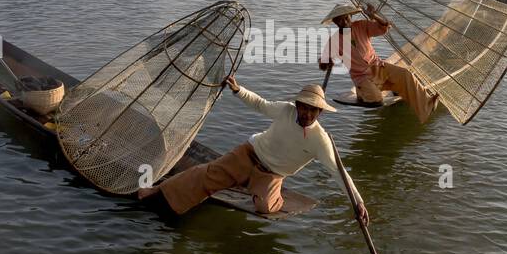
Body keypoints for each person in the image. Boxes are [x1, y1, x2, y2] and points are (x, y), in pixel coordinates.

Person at [139, 75, 369, 222]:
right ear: (298, 105)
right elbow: (261, 104)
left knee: (265, 207)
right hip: (250, 153)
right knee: (205, 175)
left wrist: (357, 202)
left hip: (271, 173)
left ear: (320, 112)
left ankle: (261, 189)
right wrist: (239, 90)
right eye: (304, 108)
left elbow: (339, 172)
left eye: (313, 110)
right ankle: (158, 190)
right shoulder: (286, 110)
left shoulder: (320, 140)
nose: (308, 114)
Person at [318, 4, 438, 123]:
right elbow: (323, 63)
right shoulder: (333, 41)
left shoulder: (361, 25)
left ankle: (427, 104)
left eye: (346, 18)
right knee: (376, 100)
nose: (344, 22)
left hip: (379, 67)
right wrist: (327, 62)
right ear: (335, 22)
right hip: (362, 77)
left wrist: (374, 16)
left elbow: (384, 27)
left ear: (350, 16)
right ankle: (363, 93)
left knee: (406, 74)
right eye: (339, 20)